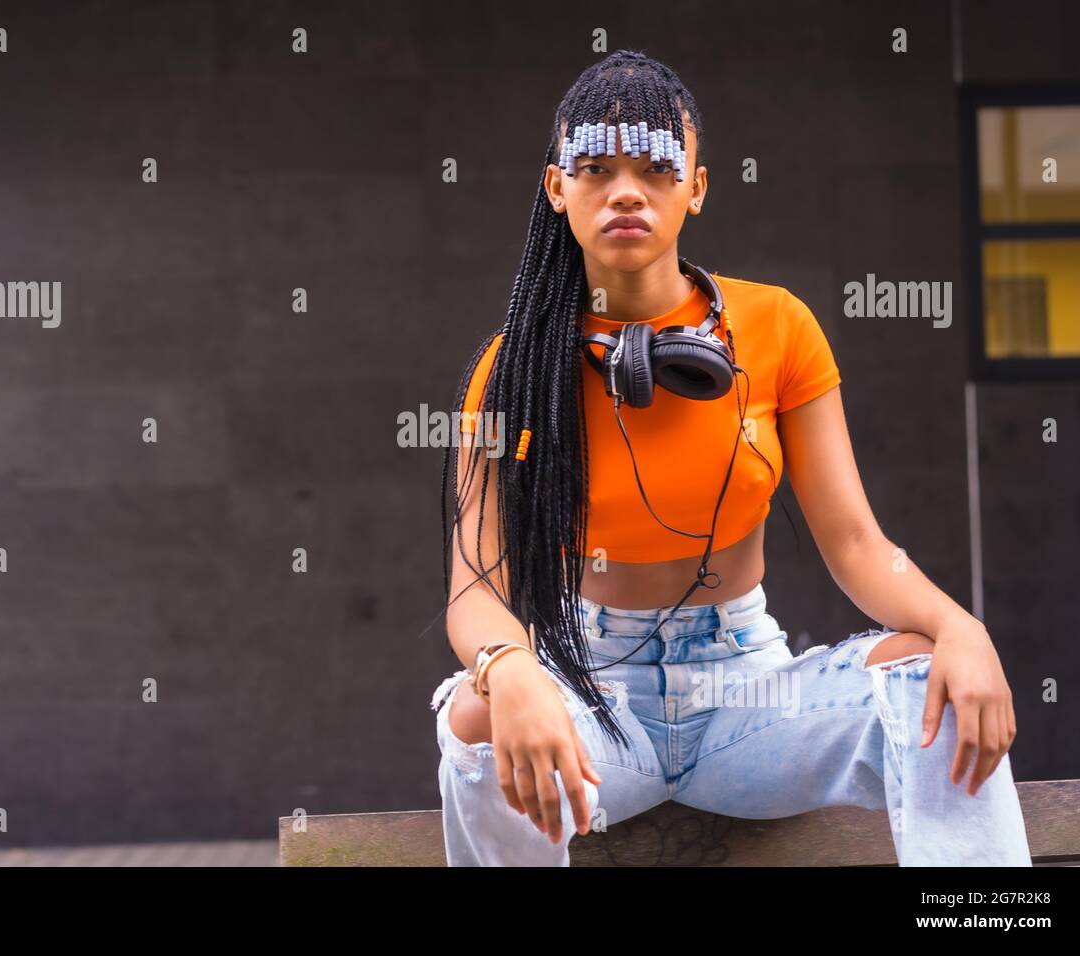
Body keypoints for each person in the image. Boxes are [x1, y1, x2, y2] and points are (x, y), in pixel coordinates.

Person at [429, 50, 1032, 866]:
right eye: (596, 168)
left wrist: (958, 627)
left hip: (749, 695)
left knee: (940, 676)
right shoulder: (510, 372)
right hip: (590, 695)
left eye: (655, 167)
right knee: (474, 718)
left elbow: (856, 543)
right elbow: (476, 591)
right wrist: (513, 669)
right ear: (556, 188)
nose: (627, 190)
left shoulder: (778, 327)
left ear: (698, 188)